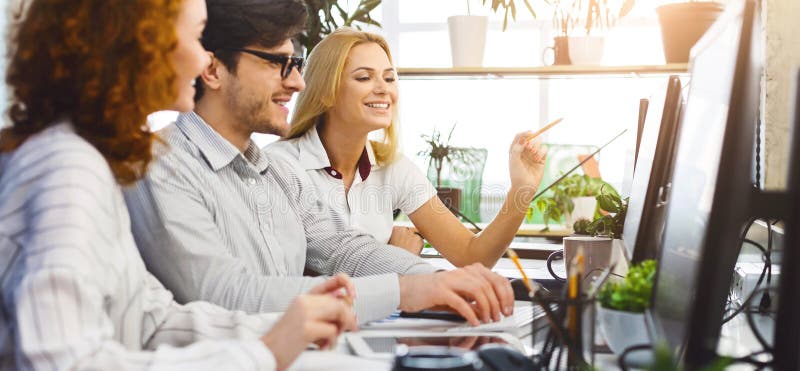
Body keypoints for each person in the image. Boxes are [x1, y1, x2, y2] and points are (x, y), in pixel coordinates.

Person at [0, 0, 358, 369]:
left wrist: (287, 329)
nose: (204, 61)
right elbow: (62, 362)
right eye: (195, 37)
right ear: (141, 44)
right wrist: (264, 352)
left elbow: (153, 321)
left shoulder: (92, 159)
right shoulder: (70, 169)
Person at [124, 0, 515, 326]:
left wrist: (442, 281)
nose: (296, 83)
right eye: (279, 63)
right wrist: (406, 290)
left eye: (296, 65)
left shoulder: (272, 173)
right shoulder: (160, 165)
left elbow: (348, 250)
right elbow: (223, 294)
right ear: (212, 70)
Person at [267, 28, 547, 268]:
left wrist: (521, 188)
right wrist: (393, 258)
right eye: (364, 77)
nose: (383, 89)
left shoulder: (393, 167)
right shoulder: (280, 167)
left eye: (389, 78)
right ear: (325, 91)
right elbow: (283, 281)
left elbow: (472, 256)